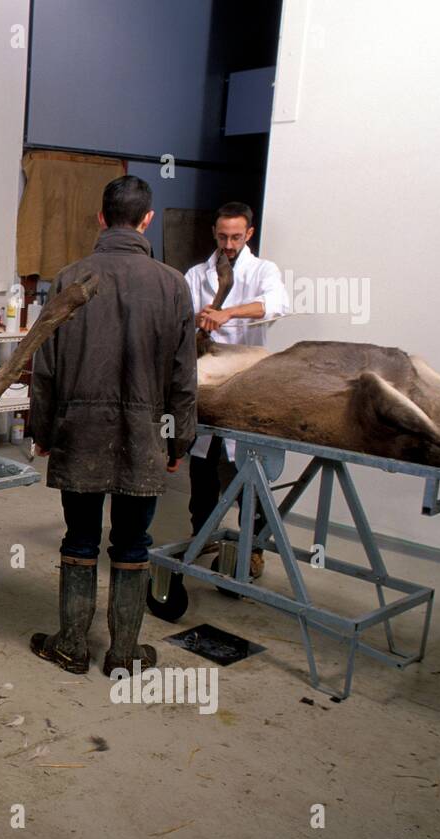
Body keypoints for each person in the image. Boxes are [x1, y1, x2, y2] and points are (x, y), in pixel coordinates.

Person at [28, 175, 198, 676]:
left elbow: (45, 364)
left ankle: (71, 646)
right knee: (132, 543)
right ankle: (123, 654)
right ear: (146, 219)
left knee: (79, 537)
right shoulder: (173, 284)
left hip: (79, 431)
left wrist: (42, 431)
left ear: (101, 218)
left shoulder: (70, 278)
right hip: (145, 434)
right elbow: (184, 375)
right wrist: (179, 436)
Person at [183, 201, 288, 578]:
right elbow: (179, 315)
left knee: (251, 468)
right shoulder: (196, 275)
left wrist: (229, 313)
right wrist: (197, 320)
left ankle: (254, 547)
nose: (229, 244)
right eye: (223, 236)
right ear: (215, 232)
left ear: (249, 234)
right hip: (208, 377)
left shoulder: (263, 270)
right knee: (203, 462)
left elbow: (277, 304)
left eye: (236, 237)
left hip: (247, 378)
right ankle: (203, 534)